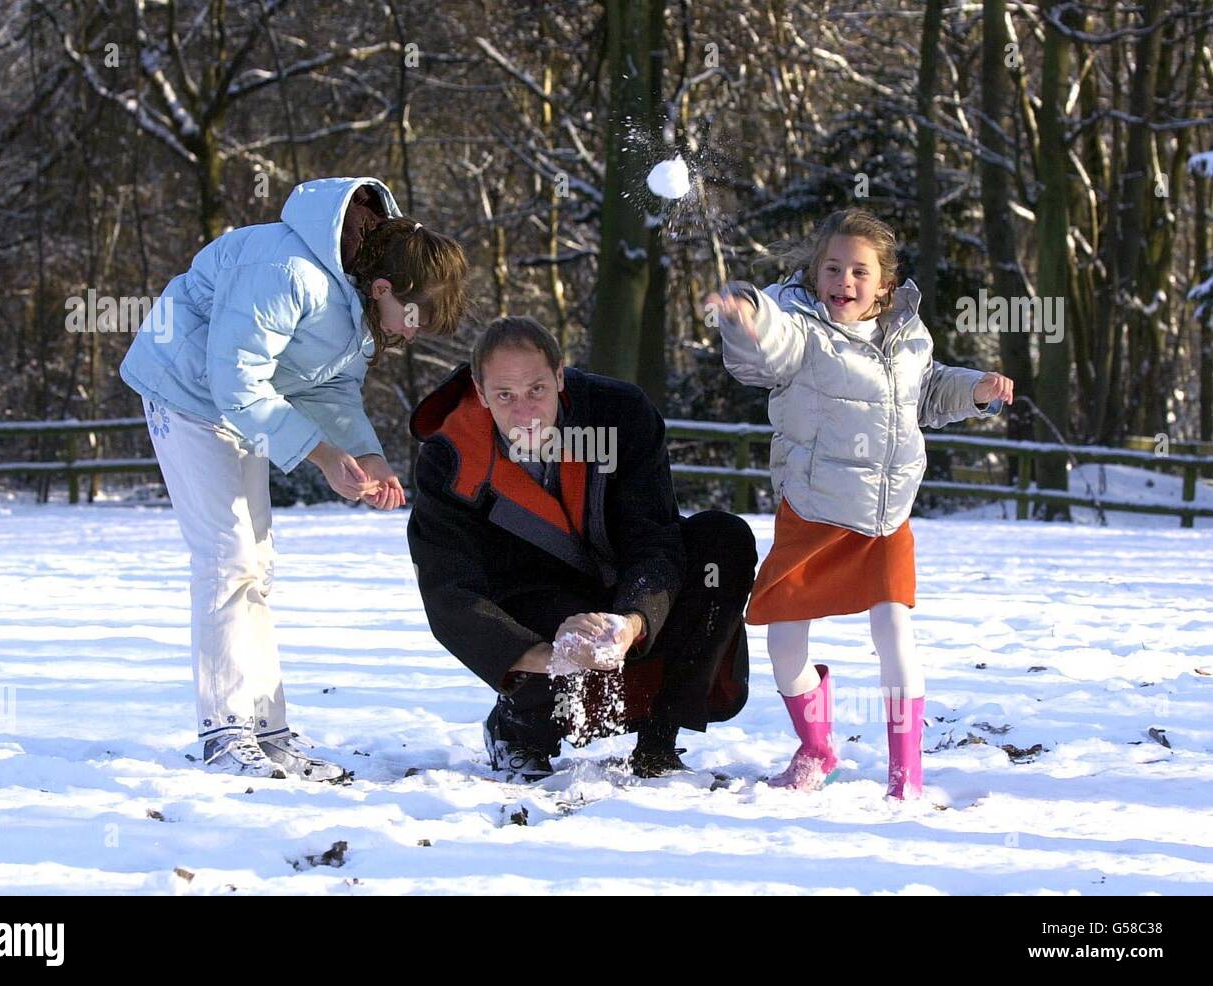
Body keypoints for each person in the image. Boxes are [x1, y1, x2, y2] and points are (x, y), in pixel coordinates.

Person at [120, 176, 468, 780]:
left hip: (236, 405)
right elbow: (236, 383)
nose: (409, 333)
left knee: (256, 565)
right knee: (228, 562)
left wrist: (368, 455)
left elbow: (329, 388)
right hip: (185, 394)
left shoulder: (356, 293)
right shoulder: (286, 272)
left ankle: (266, 730)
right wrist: (321, 455)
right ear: (385, 288)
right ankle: (226, 734)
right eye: (411, 318)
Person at [708, 207, 1013, 800]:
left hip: (884, 519)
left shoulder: (909, 338)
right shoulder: (802, 329)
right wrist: (746, 317)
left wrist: (975, 390)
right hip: (814, 513)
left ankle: (906, 775)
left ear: (884, 284)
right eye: (831, 268)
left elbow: (927, 391)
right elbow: (767, 348)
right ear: (815, 276)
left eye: (858, 270)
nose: (843, 281)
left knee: (895, 636)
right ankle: (817, 746)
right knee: (782, 642)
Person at [407, 315, 757, 781]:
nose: (525, 412)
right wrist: (543, 657)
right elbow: (448, 589)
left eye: (536, 390)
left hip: (621, 589)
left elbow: (654, 537)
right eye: (504, 396)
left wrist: (632, 620)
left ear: (559, 376)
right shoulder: (448, 458)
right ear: (479, 390)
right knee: (539, 632)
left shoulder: (620, 413)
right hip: (534, 607)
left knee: (721, 540)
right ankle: (520, 729)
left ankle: (659, 740)